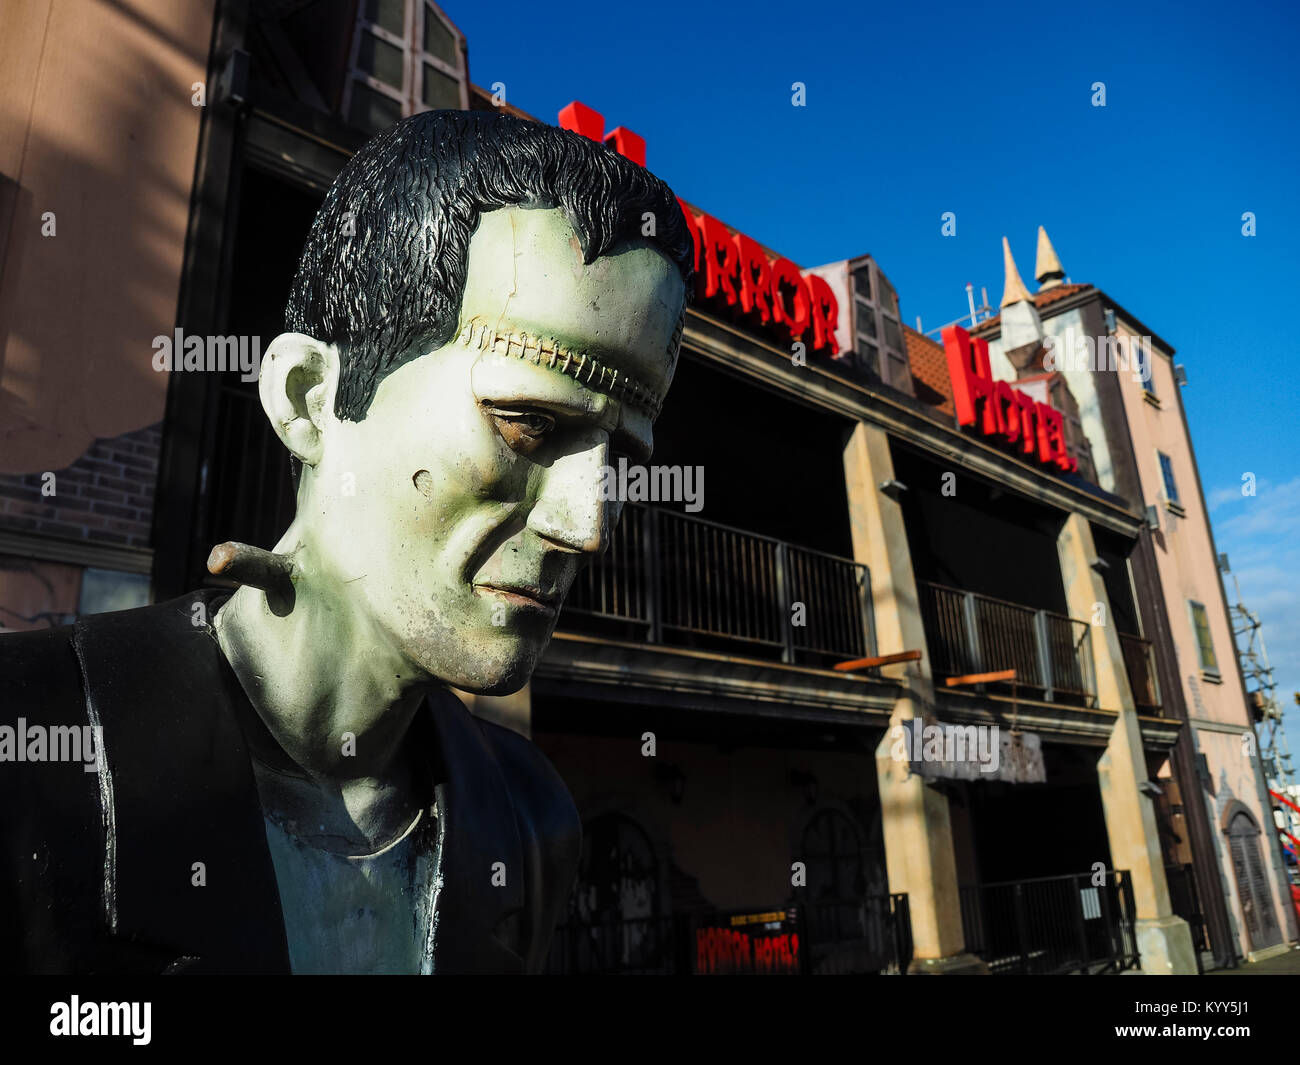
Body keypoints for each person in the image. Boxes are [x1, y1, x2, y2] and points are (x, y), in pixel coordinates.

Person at [0, 109, 693, 974]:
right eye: (527, 424)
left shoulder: (531, 821)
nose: (586, 525)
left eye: (621, 459)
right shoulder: (30, 744)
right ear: (308, 398)